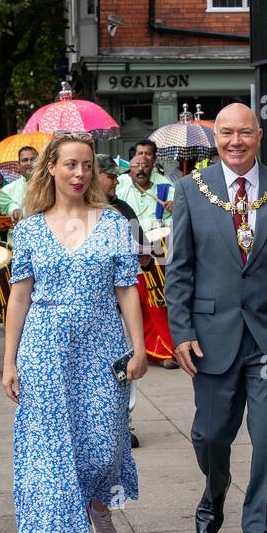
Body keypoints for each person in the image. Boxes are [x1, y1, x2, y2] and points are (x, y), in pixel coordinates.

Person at [164, 104, 267, 533]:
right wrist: (182, 332)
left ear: (260, 137)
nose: (235, 141)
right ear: (217, 138)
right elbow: (180, 271)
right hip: (212, 336)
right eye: (227, 133)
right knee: (210, 436)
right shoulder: (191, 190)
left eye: (245, 133)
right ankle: (215, 490)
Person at [2, 132, 146, 533]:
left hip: (102, 345)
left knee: (106, 443)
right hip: (44, 348)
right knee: (52, 451)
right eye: (70, 165)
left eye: (86, 165)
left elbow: (127, 290)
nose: (80, 173)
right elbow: (18, 298)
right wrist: (9, 363)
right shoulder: (27, 228)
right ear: (51, 169)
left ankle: (99, 505)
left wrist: (139, 347)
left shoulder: (114, 224)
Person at [97, 153, 170, 404]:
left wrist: (147, 259)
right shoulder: (78, 211)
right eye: (110, 177)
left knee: (124, 361)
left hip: (121, 300)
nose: (115, 182)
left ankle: (125, 419)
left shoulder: (122, 208)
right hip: (90, 305)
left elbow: (145, 250)